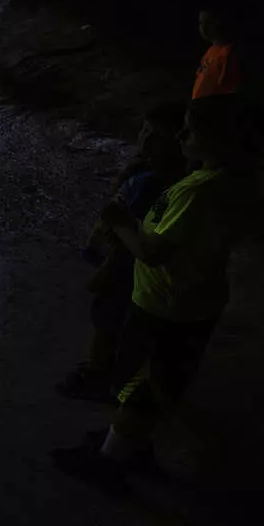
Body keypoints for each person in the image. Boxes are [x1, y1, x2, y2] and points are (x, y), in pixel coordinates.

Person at [51, 94, 264, 494]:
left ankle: (111, 464)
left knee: (140, 383)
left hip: (165, 304)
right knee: (151, 380)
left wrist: (122, 223)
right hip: (195, 300)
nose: (183, 135)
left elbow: (152, 253)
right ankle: (126, 442)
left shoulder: (200, 191)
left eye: (192, 131)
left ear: (223, 141)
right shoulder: (235, 181)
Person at [60, 101, 188, 402]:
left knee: (106, 321)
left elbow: (126, 233)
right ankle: (105, 368)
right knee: (115, 322)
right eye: (144, 130)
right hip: (131, 265)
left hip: (128, 267)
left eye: (156, 136)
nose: (145, 139)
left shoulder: (152, 183)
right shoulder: (147, 172)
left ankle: (97, 374)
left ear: (177, 143)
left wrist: (104, 268)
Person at [193, 4, 243, 98]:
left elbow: (229, 92)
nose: (203, 28)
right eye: (201, 23)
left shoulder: (228, 55)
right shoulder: (210, 52)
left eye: (209, 22)